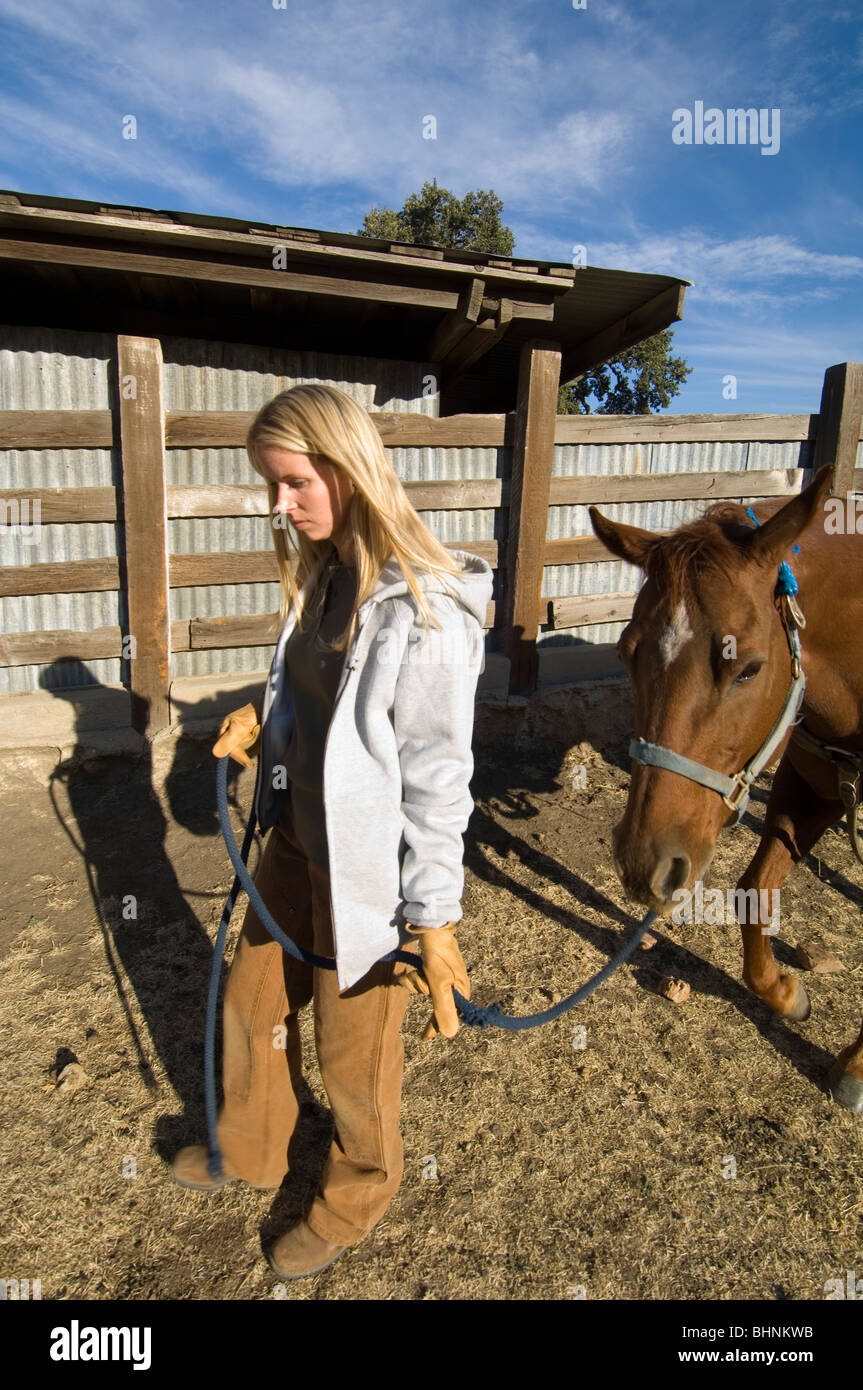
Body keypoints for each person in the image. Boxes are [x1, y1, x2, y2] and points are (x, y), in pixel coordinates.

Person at [170, 383, 493, 1279]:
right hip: (293, 839)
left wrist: (433, 918)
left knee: (352, 1056)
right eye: (272, 485)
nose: (280, 504)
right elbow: (321, 701)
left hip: (369, 877)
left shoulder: (426, 613)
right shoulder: (320, 574)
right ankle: (255, 1145)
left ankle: (355, 1197)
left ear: (349, 469)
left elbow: (436, 779)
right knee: (250, 1002)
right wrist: (257, 720)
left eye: (293, 482)